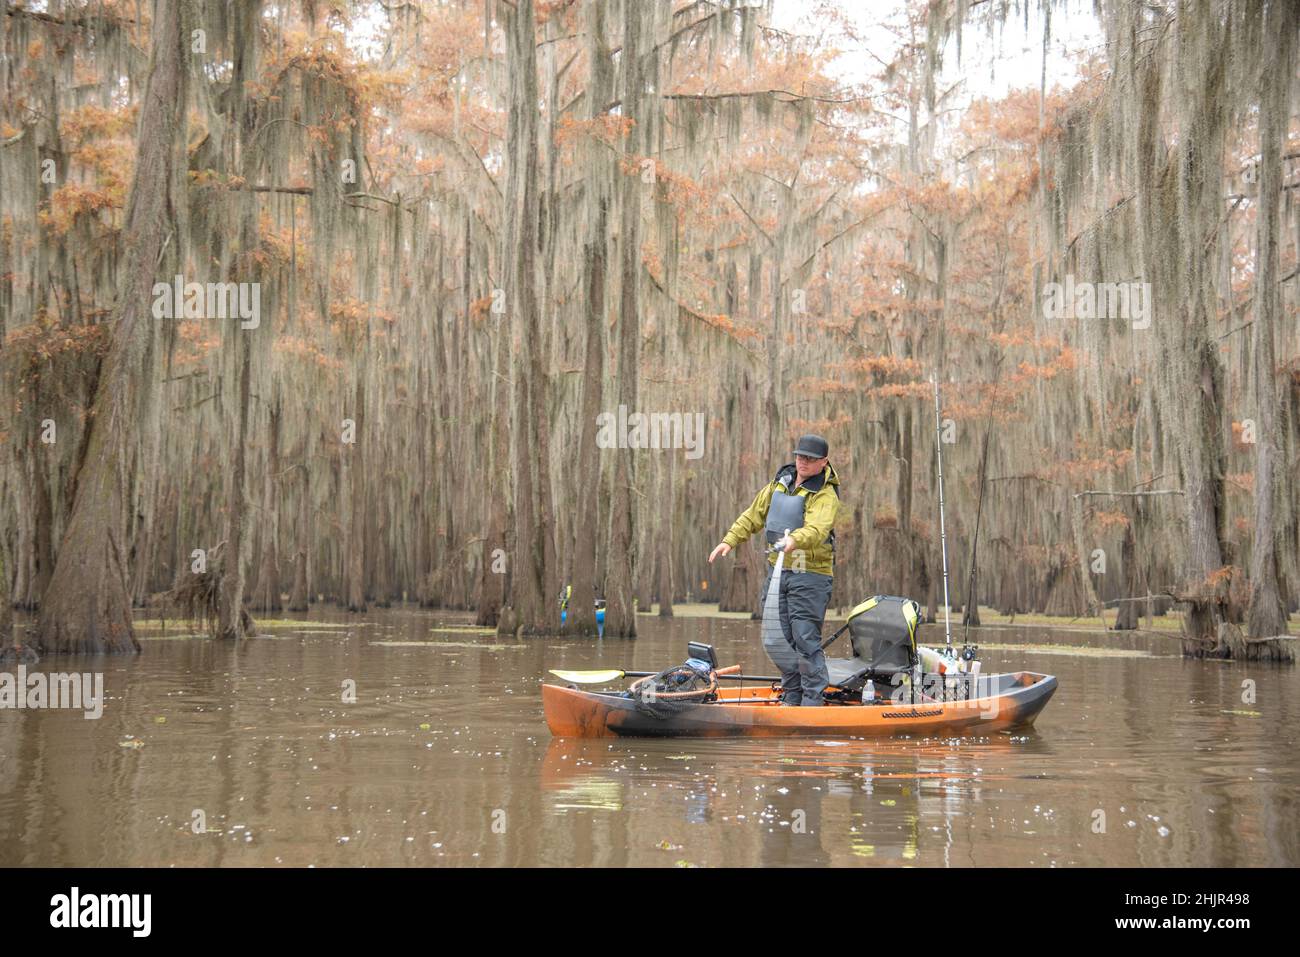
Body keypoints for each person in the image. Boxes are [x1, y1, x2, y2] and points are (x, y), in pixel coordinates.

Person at [708, 435, 840, 706]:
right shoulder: (780, 484)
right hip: (779, 573)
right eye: (800, 456)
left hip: (810, 575)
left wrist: (795, 539)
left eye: (810, 459)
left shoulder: (825, 495)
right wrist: (728, 540)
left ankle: (813, 700)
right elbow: (753, 515)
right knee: (779, 637)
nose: (803, 462)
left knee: (804, 637)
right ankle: (792, 697)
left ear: (823, 462)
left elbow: (817, 529)